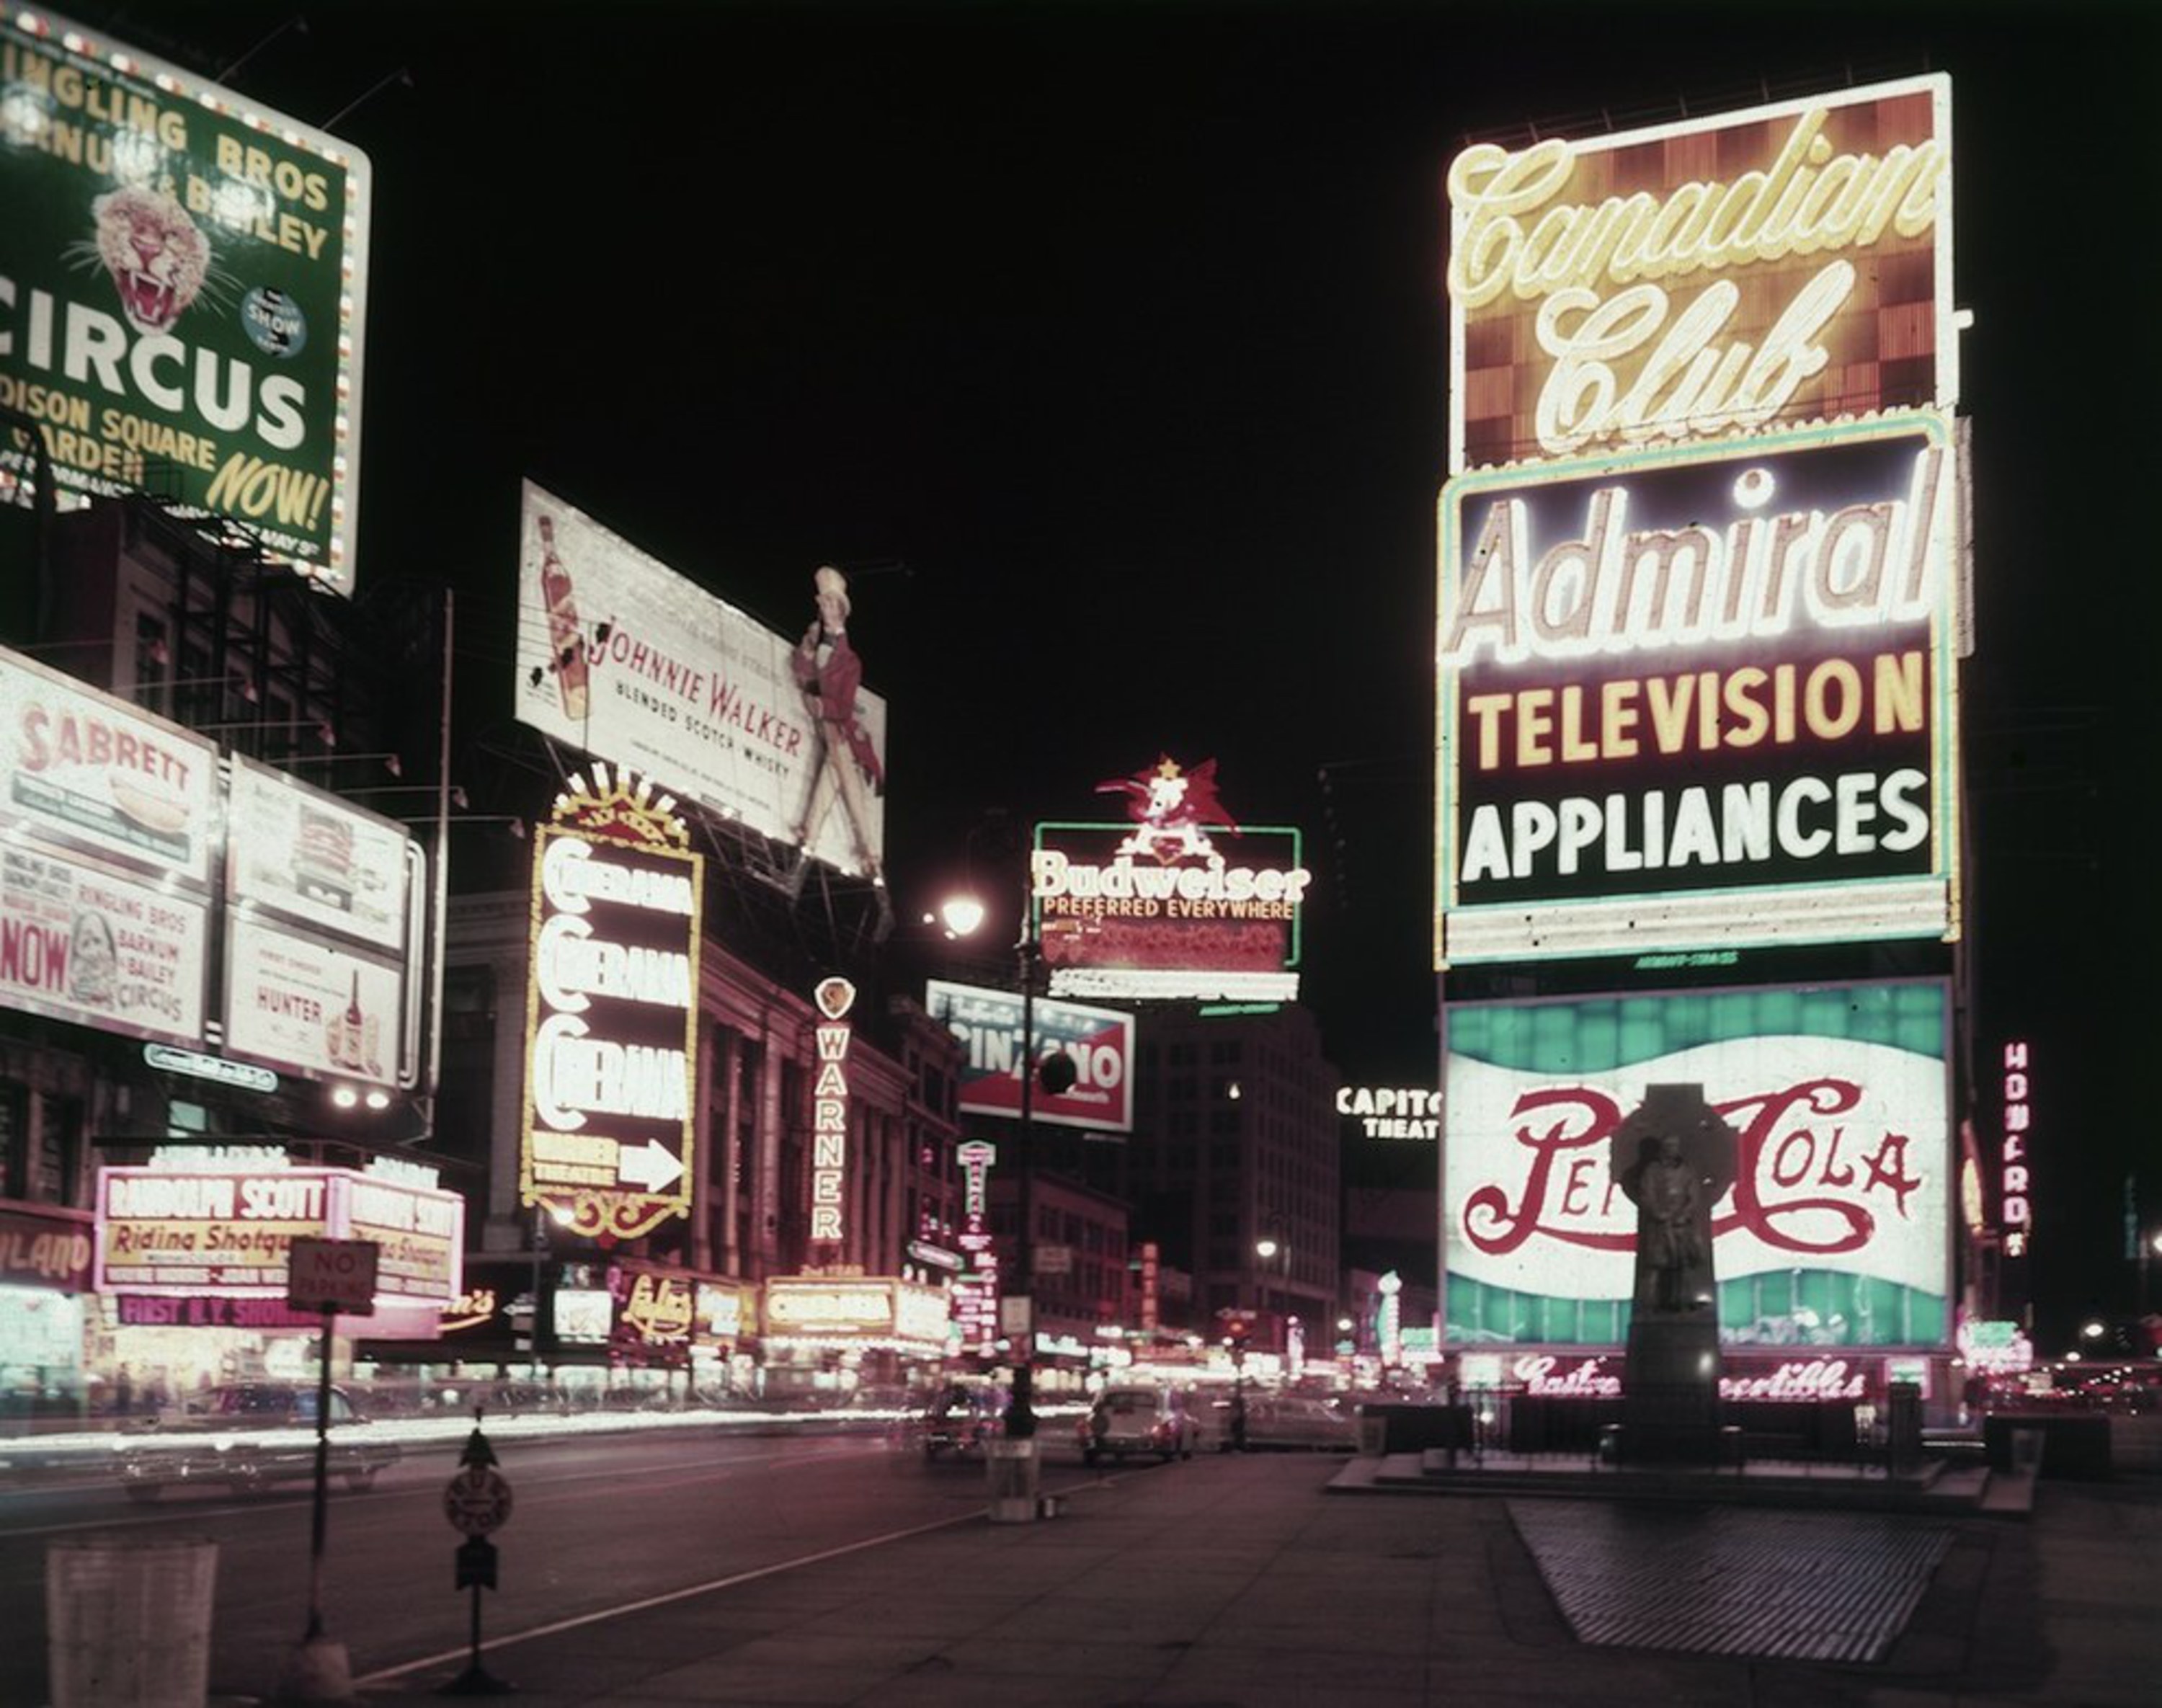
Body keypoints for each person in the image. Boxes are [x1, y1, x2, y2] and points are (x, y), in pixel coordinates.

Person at [790, 565, 886, 881]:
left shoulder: (850, 661)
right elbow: (802, 670)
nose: (824, 608)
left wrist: (818, 704)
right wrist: (805, 654)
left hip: (842, 739)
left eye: (830, 604)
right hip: (831, 740)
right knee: (825, 795)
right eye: (823, 603)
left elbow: (842, 707)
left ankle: (867, 858)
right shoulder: (818, 643)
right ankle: (812, 853)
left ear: (841, 611)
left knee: (852, 801)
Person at [1624, 1131, 1709, 1313]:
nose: (1672, 1149)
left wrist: (1683, 1214)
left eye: (1675, 1146)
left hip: (1681, 1227)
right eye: (1668, 1146)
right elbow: (1646, 1194)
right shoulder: (1652, 1171)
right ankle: (1649, 1305)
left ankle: (1681, 1303)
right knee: (1656, 1266)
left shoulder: (1687, 1171)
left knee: (1682, 1266)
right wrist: (1658, 1213)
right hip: (1659, 1227)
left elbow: (1693, 1197)